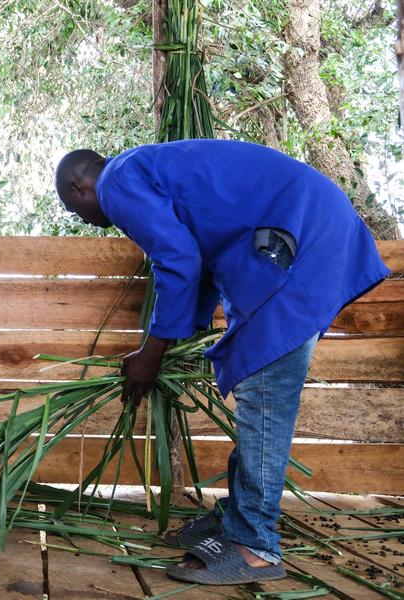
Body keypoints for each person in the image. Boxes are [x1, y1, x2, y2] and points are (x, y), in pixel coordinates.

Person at [55, 139, 389, 586]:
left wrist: (151, 354)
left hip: (299, 239)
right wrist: (180, 336)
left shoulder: (116, 181)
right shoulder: (145, 168)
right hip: (297, 234)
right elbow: (201, 263)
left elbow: (177, 258)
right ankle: (238, 518)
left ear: (80, 187)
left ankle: (254, 545)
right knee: (256, 377)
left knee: (263, 388)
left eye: (80, 214)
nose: (92, 224)